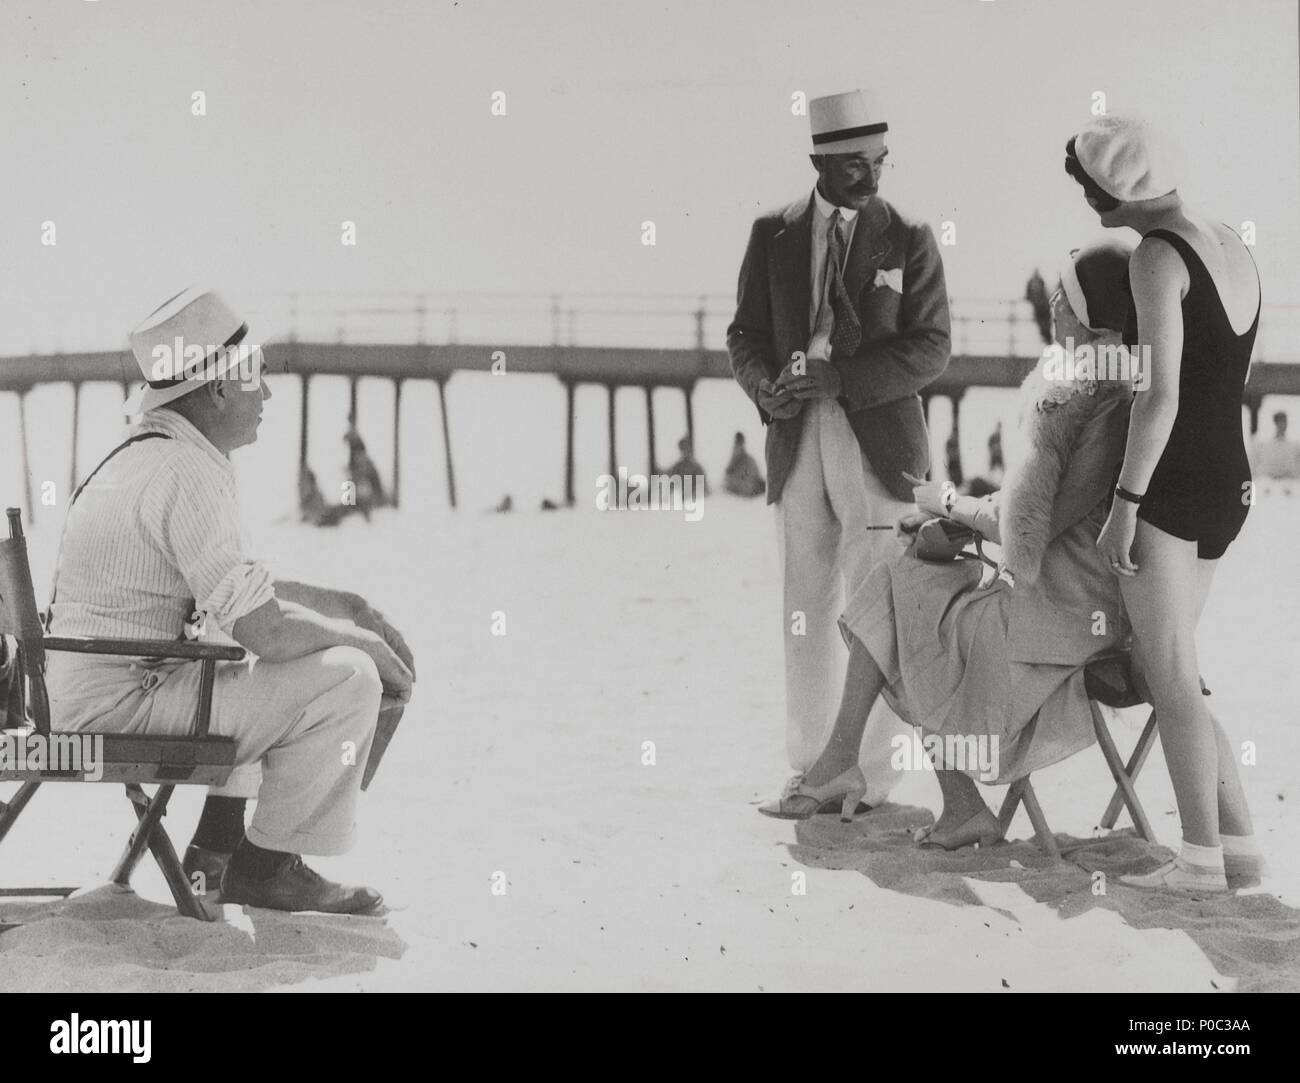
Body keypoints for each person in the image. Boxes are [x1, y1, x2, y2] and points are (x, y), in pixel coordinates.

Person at [45, 287, 415, 913]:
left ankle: (214, 854)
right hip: (115, 714)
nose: (267, 393)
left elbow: (230, 585)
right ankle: (266, 869)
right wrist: (359, 640)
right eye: (257, 377)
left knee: (232, 655)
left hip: (83, 693)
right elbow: (264, 629)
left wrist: (343, 604)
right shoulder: (187, 474)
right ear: (217, 388)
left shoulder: (139, 455)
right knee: (347, 679)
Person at [760, 242, 1135, 849]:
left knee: (902, 596)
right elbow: (1037, 523)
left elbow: (1030, 528)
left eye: (1064, 301)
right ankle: (857, 768)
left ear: (1089, 313)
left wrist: (949, 504)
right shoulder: (1096, 393)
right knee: (901, 582)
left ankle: (865, 773)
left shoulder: (1099, 403)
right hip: (1050, 600)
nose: (1055, 311)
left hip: (1062, 626)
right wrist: (950, 516)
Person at [727, 89, 951, 804]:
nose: (874, 174)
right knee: (804, 599)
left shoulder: (910, 235)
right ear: (819, 158)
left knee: (875, 597)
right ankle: (812, 760)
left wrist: (843, 376)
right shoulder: (774, 232)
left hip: (878, 436)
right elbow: (745, 336)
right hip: (797, 436)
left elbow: (933, 348)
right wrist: (766, 389)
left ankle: (873, 775)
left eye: (880, 160)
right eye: (857, 163)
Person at [1068, 112, 1263, 892]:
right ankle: (1239, 848)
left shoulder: (1156, 257)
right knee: (1184, 667)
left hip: (1173, 485)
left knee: (1169, 673)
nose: (1089, 202)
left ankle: (1200, 861)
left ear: (1113, 190)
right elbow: (1226, 374)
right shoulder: (1231, 241)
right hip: (1231, 482)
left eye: (1091, 187)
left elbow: (1159, 397)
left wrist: (1125, 501)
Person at [1250, 411, 1300, 490]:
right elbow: (1253, 465)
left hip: (1289, 483)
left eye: (1284, 422)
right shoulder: (1263, 445)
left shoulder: (1294, 446)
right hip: (1266, 482)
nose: (1282, 425)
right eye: (1280, 422)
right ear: (1275, 423)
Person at [722, 432, 765, 498]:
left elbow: (729, 470)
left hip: (745, 484)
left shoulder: (746, 458)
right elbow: (729, 470)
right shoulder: (739, 454)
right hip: (744, 485)